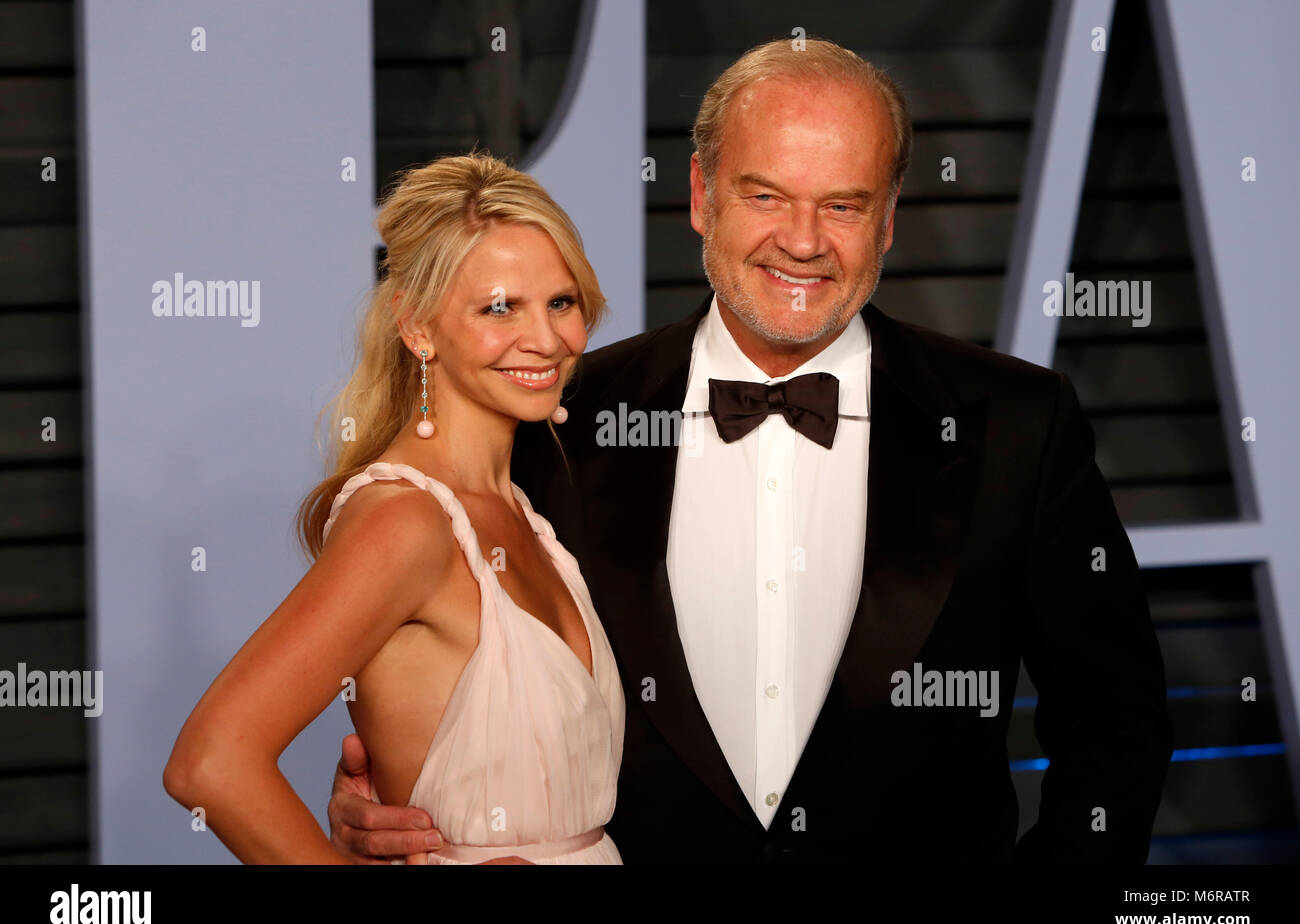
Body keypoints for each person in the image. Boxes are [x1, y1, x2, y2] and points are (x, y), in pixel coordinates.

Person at [329, 39, 1174, 864]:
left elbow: (1117, 723)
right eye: (766, 196)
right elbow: (473, 679)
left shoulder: (1016, 422)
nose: (802, 242)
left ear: (887, 219)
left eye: (842, 205)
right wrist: (402, 795)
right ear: (701, 195)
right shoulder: (562, 420)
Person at [163, 153, 625, 864]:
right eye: (500, 307)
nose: (546, 338)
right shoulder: (405, 521)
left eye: (561, 302)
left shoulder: (525, 511)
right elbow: (212, 762)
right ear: (417, 326)